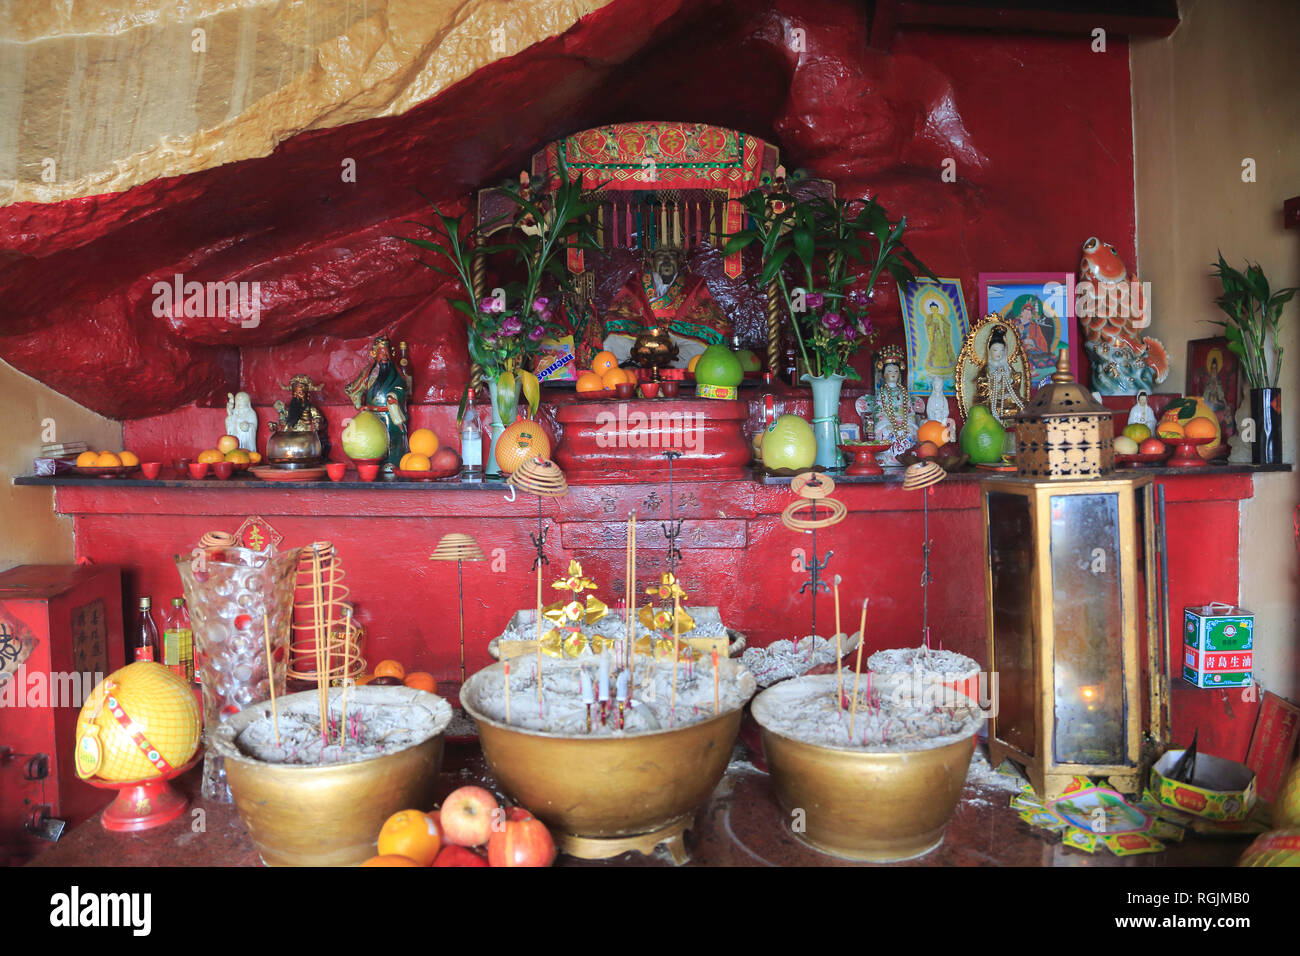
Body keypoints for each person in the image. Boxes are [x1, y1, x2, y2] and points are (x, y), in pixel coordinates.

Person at [601, 247, 733, 368]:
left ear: (680, 259)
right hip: (642, 342)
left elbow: (712, 323)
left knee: (702, 349)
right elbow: (618, 315)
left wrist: (671, 335)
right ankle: (637, 364)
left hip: (677, 343)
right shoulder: (636, 283)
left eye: (671, 255)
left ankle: (655, 366)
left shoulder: (693, 284)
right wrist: (647, 333)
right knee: (615, 340)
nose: (666, 260)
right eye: (660, 255)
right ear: (649, 259)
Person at [344, 335, 412, 469]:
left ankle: (394, 462)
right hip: (373, 415)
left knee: (394, 438)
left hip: (392, 414)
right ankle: (377, 465)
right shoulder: (368, 373)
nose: (384, 356)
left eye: (387, 352)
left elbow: (403, 387)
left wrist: (394, 395)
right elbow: (356, 388)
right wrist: (359, 406)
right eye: (381, 353)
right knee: (373, 440)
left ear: (392, 353)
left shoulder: (397, 372)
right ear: (374, 354)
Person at [874, 345, 919, 464]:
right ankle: (887, 459)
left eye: (896, 371)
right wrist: (886, 424)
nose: (893, 374)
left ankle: (908, 458)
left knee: (911, 432)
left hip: (904, 422)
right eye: (889, 371)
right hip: (888, 422)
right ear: (883, 374)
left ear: (899, 373)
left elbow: (910, 412)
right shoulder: (882, 393)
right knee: (885, 433)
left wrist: (910, 423)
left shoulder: (904, 392)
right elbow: (879, 412)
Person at [974, 325, 1026, 425]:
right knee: (985, 410)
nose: (999, 353)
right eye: (995, 350)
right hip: (991, 401)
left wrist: (1012, 381)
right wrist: (992, 381)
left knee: (1024, 405)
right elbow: (981, 390)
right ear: (989, 351)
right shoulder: (986, 370)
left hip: (1008, 400)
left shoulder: (1008, 368)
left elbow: (1015, 388)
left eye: (1002, 350)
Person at [269, 374, 329, 457]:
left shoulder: (311, 409)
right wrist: (274, 427)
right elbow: (282, 425)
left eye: (300, 393)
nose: (297, 397)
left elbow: (319, 420)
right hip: (288, 442)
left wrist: (316, 422)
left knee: (307, 445)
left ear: (307, 395)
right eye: (295, 394)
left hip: (306, 442)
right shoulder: (288, 411)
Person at [922, 300, 957, 379]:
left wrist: (942, 324)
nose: (934, 310)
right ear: (931, 309)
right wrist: (934, 326)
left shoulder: (942, 316)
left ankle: (945, 364)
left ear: (938, 309)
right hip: (935, 337)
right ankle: (935, 365)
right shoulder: (929, 317)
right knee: (935, 350)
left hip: (943, 337)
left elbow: (948, 324)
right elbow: (928, 325)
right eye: (932, 309)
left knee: (944, 350)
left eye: (936, 309)